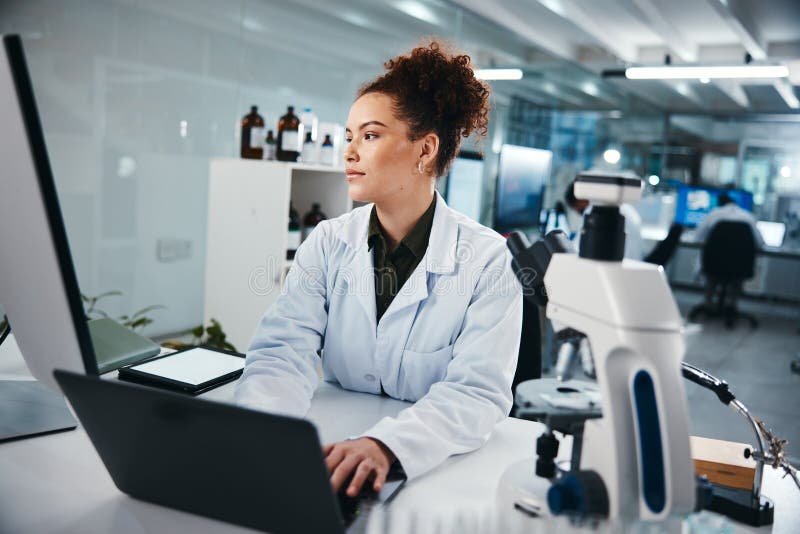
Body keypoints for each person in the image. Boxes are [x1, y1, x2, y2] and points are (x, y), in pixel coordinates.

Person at [235, 41, 522, 499]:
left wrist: (385, 447)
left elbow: (476, 394)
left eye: (369, 136)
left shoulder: (487, 260)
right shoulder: (328, 241)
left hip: (436, 473)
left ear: (425, 149)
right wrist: (264, 431)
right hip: (327, 450)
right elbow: (282, 353)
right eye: (349, 136)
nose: (349, 152)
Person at [563, 178, 644, 260]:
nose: (578, 213)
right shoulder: (626, 208)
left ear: (580, 198)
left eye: (576, 209)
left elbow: (577, 249)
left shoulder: (594, 210)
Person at [694, 192, 764, 248]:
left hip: (713, 263)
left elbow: (697, 238)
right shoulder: (748, 217)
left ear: (719, 204)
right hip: (741, 264)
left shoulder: (713, 214)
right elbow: (760, 243)